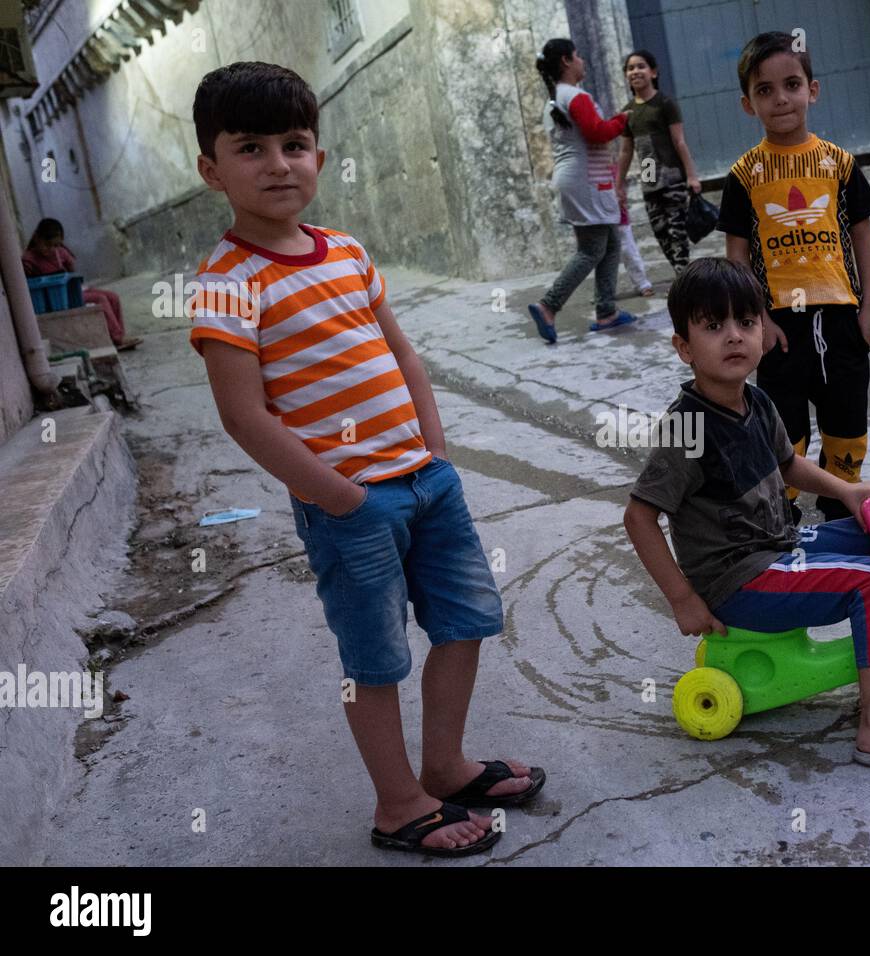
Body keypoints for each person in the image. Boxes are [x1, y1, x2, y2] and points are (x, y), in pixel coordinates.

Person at [187, 62, 542, 858]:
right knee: (374, 660)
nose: (279, 163)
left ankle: (445, 764)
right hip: (350, 506)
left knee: (464, 623)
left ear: (317, 153)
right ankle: (396, 804)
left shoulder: (345, 252)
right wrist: (342, 498)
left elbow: (404, 357)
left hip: (425, 481)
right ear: (211, 169)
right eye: (251, 148)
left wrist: (437, 456)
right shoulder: (226, 284)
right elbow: (244, 417)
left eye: (295, 144)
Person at [623, 258, 870, 777]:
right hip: (739, 580)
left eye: (746, 322)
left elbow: (790, 464)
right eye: (714, 326)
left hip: (779, 548)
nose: (735, 337)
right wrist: (684, 600)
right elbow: (639, 517)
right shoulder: (687, 427)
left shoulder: (756, 402)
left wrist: (848, 492)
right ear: (684, 348)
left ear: (765, 331)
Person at [717, 31, 870, 523]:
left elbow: (863, 239)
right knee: (785, 432)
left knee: (846, 426)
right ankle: (782, 518)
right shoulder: (745, 175)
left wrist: (869, 310)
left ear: (813, 90)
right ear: (748, 104)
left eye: (791, 84)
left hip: (841, 319)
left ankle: (842, 510)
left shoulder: (840, 164)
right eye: (765, 90)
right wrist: (757, 321)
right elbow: (737, 257)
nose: (780, 98)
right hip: (779, 328)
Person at [527, 38, 637, 343]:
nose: (582, 61)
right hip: (587, 179)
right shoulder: (575, 96)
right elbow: (597, 132)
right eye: (577, 56)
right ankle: (548, 305)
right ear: (566, 61)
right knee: (592, 249)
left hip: (577, 178)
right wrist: (622, 119)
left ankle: (607, 311)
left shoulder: (555, 99)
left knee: (611, 242)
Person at [616, 49, 701, 277]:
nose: (636, 71)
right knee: (661, 231)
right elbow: (625, 151)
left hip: (672, 176)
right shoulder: (627, 112)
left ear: (653, 72)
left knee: (677, 231)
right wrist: (618, 184)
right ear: (626, 76)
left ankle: (683, 278)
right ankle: (682, 276)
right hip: (650, 178)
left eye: (641, 66)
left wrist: (691, 175)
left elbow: (679, 141)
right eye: (631, 68)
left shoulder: (664, 103)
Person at [22, 218, 141, 350]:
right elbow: (28, 284)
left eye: (55, 245)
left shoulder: (60, 252)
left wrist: (66, 263)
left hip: (72, 291)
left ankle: (119, 336)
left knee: (113, 297)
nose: (51, 249)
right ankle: (118, 338)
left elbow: (72, 272)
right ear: (37, 238)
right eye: (47, 245)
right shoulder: (29, 260)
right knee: (100, 299)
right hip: (55, 299)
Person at [618, 198, 655, 297]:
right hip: (594, 211)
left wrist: (620, 192)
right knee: (599, 254)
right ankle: (602, 293)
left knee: (628, 249)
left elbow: (649, 181)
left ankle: (642, 283)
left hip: (615, 209)